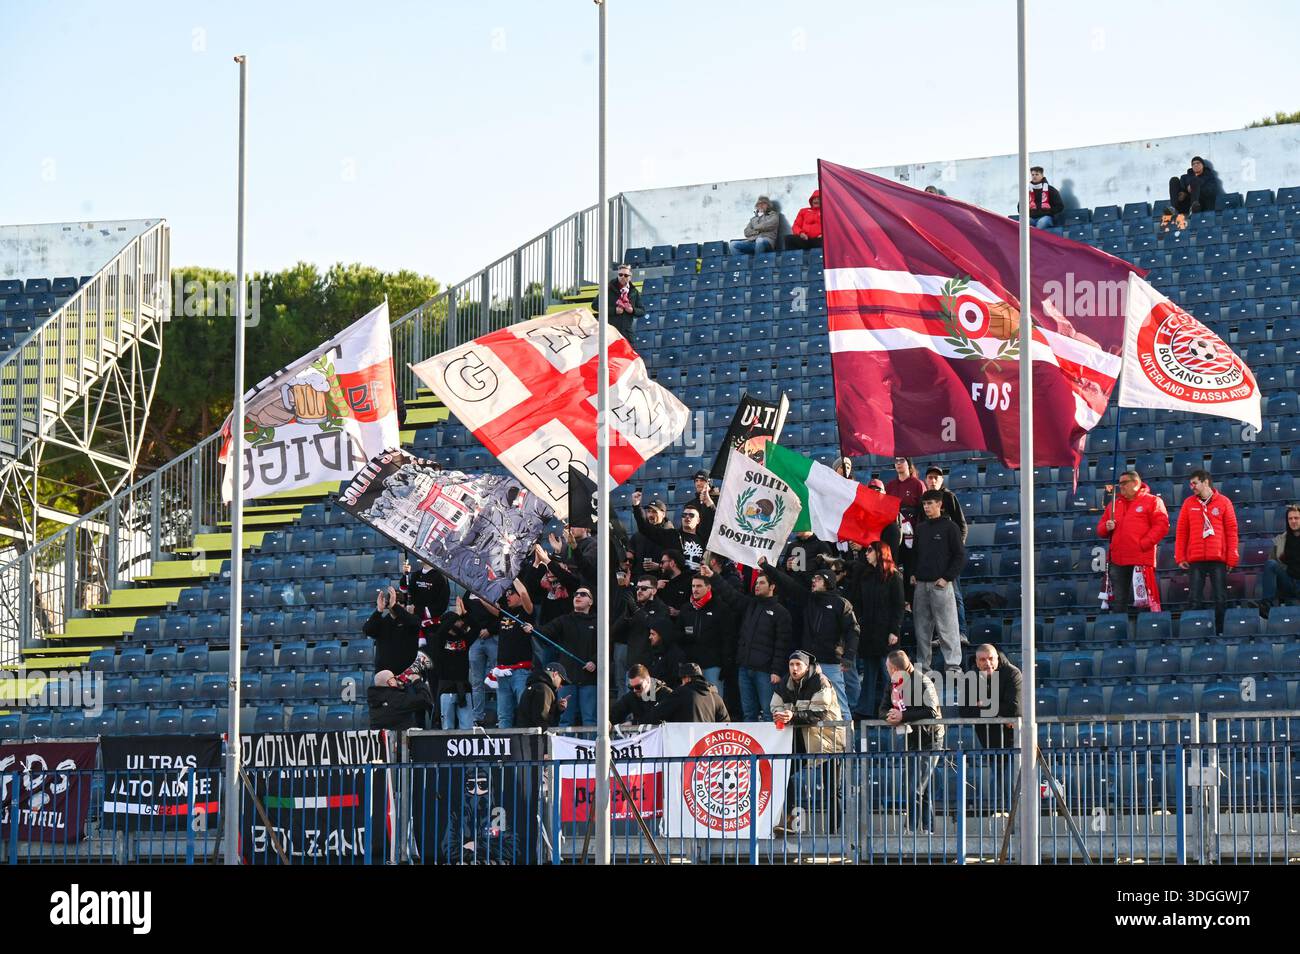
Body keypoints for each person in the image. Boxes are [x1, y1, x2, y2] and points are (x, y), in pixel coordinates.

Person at [759, 558, 859, 719]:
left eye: (818, 579)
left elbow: (852, 631)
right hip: (808, 664)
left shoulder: (841, 604)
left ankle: (848, 743)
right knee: (806, 704)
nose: (814, 581)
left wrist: (849, 656)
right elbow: (788, 583)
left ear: (828, 582)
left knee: (840, 704)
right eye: (813, 579)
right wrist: (766, 566)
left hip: (831, 662)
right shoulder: (809, 599)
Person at [701, 562, 794, 721]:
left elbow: (782, 644)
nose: (757, 586)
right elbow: (729, 594)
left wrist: (776, 671)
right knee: (748, 713)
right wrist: (712, 576)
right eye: (756, 583)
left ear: (772, 587)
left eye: (762, 583)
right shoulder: (750, 604)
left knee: (768, 712)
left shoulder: (781, 613)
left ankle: (769, 746)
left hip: (766, 672)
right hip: (744, 669)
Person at [770, 650, 845, 834]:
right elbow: (774, 705)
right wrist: (779, 715)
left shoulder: (821, 682)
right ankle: (790, 821)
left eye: (798, 665)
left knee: (832, 789)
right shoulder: (783, 685)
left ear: (807, 666)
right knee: (783, 774)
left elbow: (819, 713)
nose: (794, 669)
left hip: (828, 742)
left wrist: (792, 716)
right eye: (791, 665)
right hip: (802, 739)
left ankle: (834, 832)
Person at [1096, 470, 1170, 620]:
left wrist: (1143, 544)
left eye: (1124, 483)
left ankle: (1148, 631)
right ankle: (1118, 634)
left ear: (1136, 483)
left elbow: (1161, 526)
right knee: (1119, 601)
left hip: (1140, 559)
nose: (1121, 487)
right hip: (1118, 559)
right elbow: (1100, 530)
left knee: (1144, 601)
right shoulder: (1113, 504)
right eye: (1120, 483)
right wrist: (1106, 527)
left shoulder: (1153, 501)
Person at [884, 650, 944, 833]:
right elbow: (882, 709)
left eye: (888, 668)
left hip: (930, 739)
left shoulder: (923, 681)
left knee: (915, 786)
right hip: (910, 738)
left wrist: (903, 715)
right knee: (921, 787)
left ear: (894, 668)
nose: (887, 671)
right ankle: (928, 829)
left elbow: (931, 711)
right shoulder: (893, 684)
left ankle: (909, 829)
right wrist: (890, 715)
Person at [844, 540, 905, 718]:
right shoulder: (865, 575)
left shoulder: (894, 576)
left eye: (870, 550)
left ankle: (897, 708)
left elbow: (898, 605)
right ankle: (865, 711)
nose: (866, 553)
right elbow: (857, 601)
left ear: (880, 553)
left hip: (886, 633)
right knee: (869, 674)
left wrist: (894, 630)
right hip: (868, 632)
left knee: (889, 673)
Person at [1175, 470, 1239, 636]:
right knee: (1194, 598)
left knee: (1220, 597)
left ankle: (1220, 631)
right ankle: (1197, 632)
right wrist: (1180, 556)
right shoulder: (1188, 504)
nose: (1192, 487)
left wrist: (1232, 558)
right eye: (1191, 484)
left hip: (1218, 558)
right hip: (1196, 559)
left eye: (1195, 483)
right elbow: (1182, 531)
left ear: (1205, 482)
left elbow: (1232, 531)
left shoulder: (1224, 502)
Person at [523, 586, 598, 727]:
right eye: (576, 593)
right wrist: (533, 629)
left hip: (589, 680)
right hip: (567, 680)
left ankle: (592, 750)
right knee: (565, 720)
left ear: (590, 602)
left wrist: (594, 661)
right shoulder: (564, 620)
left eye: (583, 594)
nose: (578, 596)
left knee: (590, 720)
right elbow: (546, 632)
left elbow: (605, 647)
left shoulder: (597, 622)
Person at [910, 489, 966, 673]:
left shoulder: (951, 527)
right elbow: (915, 554)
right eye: (924, 504)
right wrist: (913, 573)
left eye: (930, 503)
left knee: (948, 625)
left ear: (940, 505)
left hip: (941, 584)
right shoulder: (920, 528)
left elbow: (959, 556)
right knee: (921, 629)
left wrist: (947, 578)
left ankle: (953, 665)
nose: (926, 507)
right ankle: (924, 667)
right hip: (921, 584)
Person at [476, 579, 535, 729]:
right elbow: (487, 602)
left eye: (511, 594)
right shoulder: (505, 613)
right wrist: (478, 588)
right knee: (503, 715)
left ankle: (527, 746)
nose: (507, 596)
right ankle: (504, 750)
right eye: (507, 593)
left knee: (525, 711)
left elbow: (524, 593)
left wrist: (512, 577)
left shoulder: (526, 613)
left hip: (521, 672)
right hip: (502, 672)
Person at [924, 466, 968, 642]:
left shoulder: (949, 497)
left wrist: (958, 546)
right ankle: (940, 634)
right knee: (934, 597)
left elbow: (962, 525)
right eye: (930, 477)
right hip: (933, 558)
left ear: (942, 480)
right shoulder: (925, 500)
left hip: (949, 556)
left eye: (936, 477)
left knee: (954, 594)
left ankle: (961, 632)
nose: (933, 480)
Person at [677, 573, 735, 690]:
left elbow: (728, 637)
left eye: (699, 586)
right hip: (691, 665)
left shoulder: (720, 608)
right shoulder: (686, 608)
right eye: (693, 586)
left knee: (714, 701)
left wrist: (726, 663)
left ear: (708, 588)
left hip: (713, 665)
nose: (695, 589)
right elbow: (677, 634)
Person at [631, 490, 712, 571]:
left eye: (691, 515)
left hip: (698, 580)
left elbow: (716, 524)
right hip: (680, 581)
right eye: (684, 515)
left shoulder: (703, 538)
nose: (687, 517)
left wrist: (710, 504)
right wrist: (637, 506)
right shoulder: (673, 535)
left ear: (698, 520)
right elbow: (645, 528)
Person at [960, 644, 1022, 748]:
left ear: (997, 658)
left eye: (991, 658)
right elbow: (964, 711)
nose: (988, 663)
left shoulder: (1012, 673)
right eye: (983, 660)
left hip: (1014, 743)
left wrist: (983, 704)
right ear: (977, 662)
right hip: (986, 744)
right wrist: (1001, 716)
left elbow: (1013, 709)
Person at [614, 574, 675, 673]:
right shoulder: (633, 607)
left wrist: (635, 609)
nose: (639, 591)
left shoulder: (661, 608)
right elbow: (615, 632)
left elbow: (654, 625)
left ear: (654, 591)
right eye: (637, 588)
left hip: (652, 666)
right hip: (632, 665)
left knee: (652, 689)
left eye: (644, 588)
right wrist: (627, 615)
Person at [432, 613, 477, 730]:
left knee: (467, 728)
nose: (462, 623)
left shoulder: (464, 639)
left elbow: (476, 627)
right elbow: (442, 630)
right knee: (447, 728)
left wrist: (465, 615)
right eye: (459, 621)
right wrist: (456, 616)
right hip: (446, 689)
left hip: (464, 688)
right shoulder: (439, 638)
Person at [364, 585, 420, 676]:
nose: (397, 604)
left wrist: (394, 606)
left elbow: (414, 623)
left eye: (400, 602)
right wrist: (378, 611)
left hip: (407, 675)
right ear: (387, 604)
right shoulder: (381, 622)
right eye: (394, 601)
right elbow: (367, 630)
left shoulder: (411, 620)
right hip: (385, 676)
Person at [652, 662, 730, 722]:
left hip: (686, 740)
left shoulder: (682, 693)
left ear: (687, 679)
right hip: (707, 741)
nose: (681, 684)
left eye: (681, 680)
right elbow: (725, 722)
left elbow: (658, 714)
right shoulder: (716, 696)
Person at [1261, 504, 1300, 618]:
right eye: (1290, 518)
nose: (1293, 521)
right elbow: (1272, 562)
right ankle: (1266, 606)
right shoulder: (1281, 539)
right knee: (1270, 564)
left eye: (1296, 518)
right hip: (1288, 582)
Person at [367, 669, 434, 731]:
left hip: (383, 741)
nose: (397, 680)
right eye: (394, 678)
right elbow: (425, 699)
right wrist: (417, 681)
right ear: (390, 682)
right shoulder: (396, 699)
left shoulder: (374, 700)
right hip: (400, 741)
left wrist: (403, 687)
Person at [517, 661, 568, 728]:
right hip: (534, 737)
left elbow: (536, 713)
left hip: (526, 735)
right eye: (561, 681)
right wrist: (549, 734)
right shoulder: (544, 689)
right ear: (555, 674)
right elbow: (541, 718)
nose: (561, 686)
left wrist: (557, 709)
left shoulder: (536, 686)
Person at [606, 263, 645, 340]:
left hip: (627, 333)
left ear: (630, 276)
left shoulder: (634, 291)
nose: (623, 277)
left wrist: (632, 310)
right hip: (610, 333)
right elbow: (595, 305)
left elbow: (642, 311)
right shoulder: (608, 289)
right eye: (620, 275)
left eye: (626, 275)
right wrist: (614, 310)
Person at [885, 457, 927, 528]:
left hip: (913, 526)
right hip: (895, 526)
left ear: (908, 464)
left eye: (902, 460)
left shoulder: (918, 484)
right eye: (896, 461)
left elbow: (924, 508)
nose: (898, 463)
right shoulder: (890, 485)